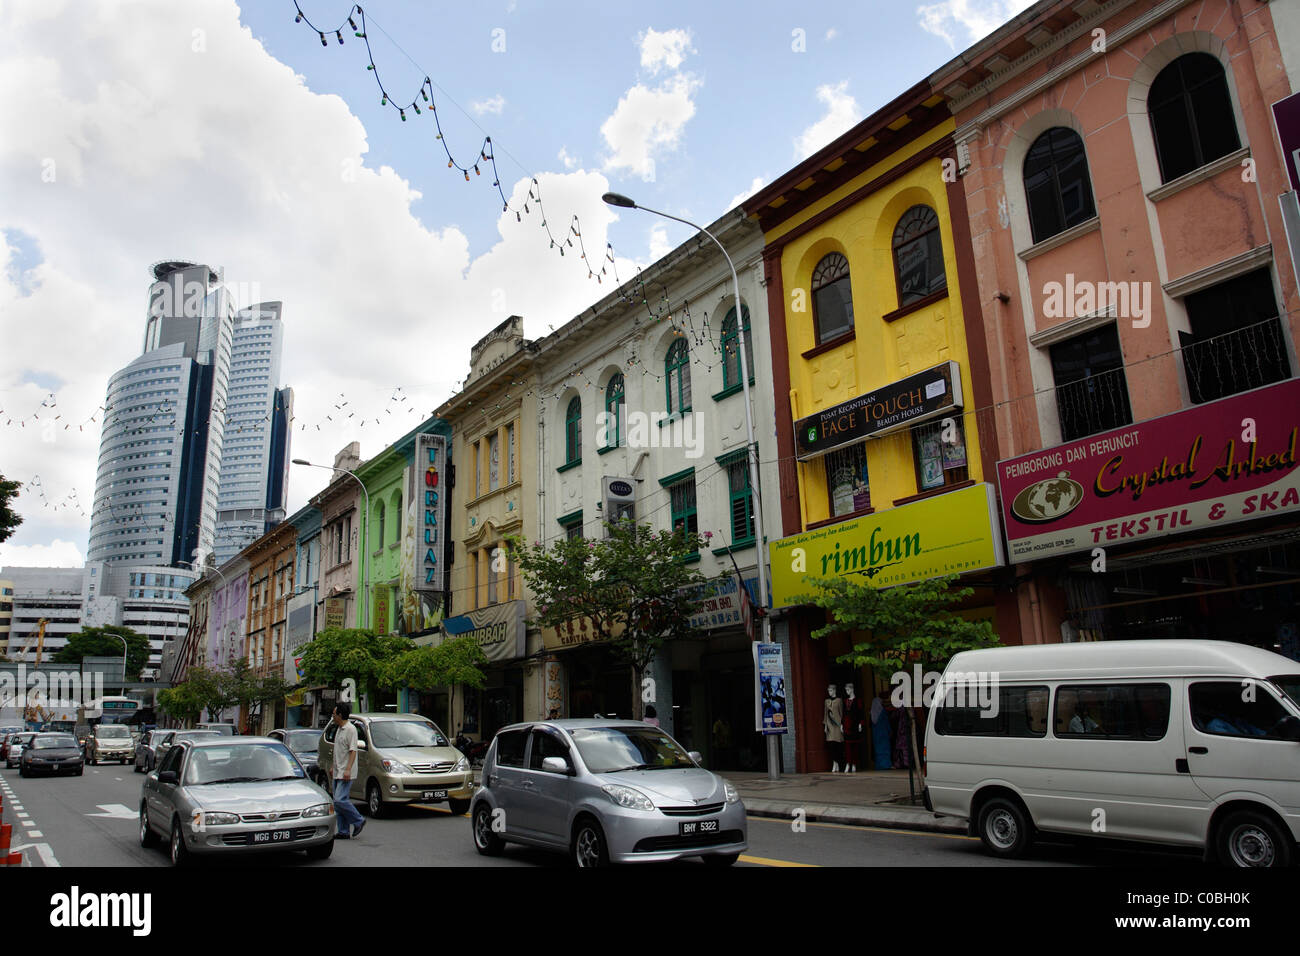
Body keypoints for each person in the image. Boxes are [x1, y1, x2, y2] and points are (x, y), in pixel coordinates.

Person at [331, 703, 365, 839]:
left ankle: (358, 820)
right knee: (338, 802)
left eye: (334, 714)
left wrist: (348, 769)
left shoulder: (351, 729)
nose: (332, 716)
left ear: (340, 715)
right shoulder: (339, 729)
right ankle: (343, 831)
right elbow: (338, 751)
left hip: (346, 771)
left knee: (340, 800)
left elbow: (353, 751)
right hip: (338, 770)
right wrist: (333, 766)